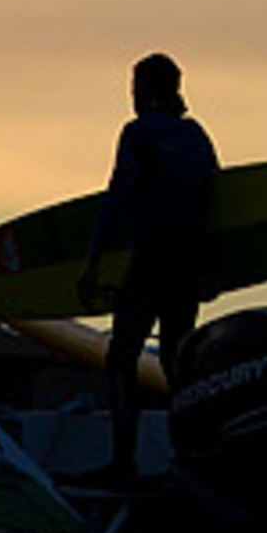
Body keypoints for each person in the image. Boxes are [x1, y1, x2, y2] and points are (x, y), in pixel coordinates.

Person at [101, 51, 219, 488]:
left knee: (121, 359)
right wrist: (212, 269)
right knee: (176, 361)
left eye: (133, 88)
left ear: (146, 91)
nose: (130, 97)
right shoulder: (197, 135)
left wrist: (93, 263)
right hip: (187, 265)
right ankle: (191, 459)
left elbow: (117, 196)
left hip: (151, 261)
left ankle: (123, 463)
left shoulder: (138, 132)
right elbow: (213, 200)